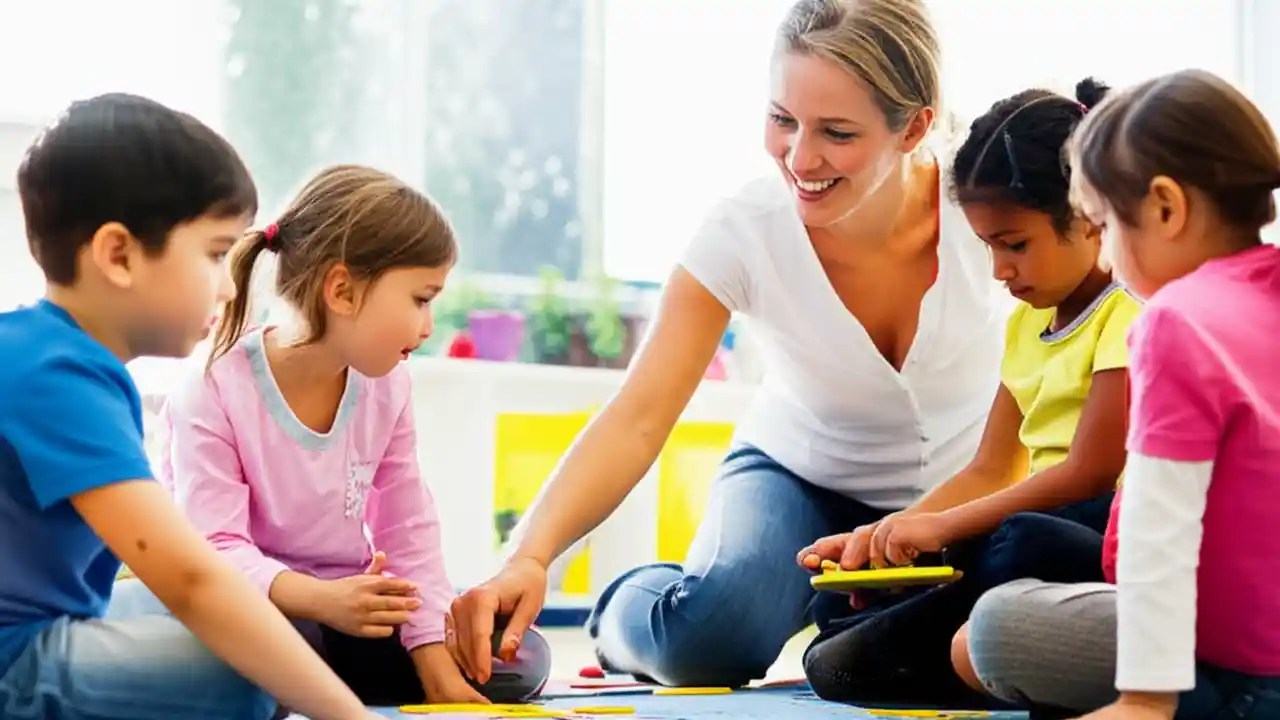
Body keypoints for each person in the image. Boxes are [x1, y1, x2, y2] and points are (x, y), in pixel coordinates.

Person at [449, 0, 1011, 690]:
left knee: (966, 643)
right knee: (712, 641)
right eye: (782, 121)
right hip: (799, 474)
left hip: (965, 486)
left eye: (836, 132)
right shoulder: (743, 232)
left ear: (915, 126)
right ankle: (633, 611)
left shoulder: (990, 206)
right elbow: (639, 414)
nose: (800, 158)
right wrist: (528, 557)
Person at [116, 165, 550, 707]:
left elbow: (406, 523)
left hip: (344, 609)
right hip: (251, 606)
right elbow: (215, 548)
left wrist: (433, 653)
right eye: (420, 299)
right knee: (260, 649)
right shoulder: (212, 389)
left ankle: (315, 678)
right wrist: (319, 599)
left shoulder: (387, 385)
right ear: (342, 290)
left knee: (516, 655)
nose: (429, 325)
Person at [0, 94, 373, 720]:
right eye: (214, 254)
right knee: (248, 674)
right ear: (118, 255)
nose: (228, 286)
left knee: (259, 627)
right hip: (13, 657)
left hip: (49, 623)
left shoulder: (47, 353)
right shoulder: (58, 376)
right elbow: (192, 579)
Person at [795, 78, 1140, 706]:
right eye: (987, 246)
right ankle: (939, 643)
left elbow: (1091, 473)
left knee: (1021, 540)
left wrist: (947, 528)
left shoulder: (1130, 314)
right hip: (1029, 531)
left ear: (1090, 219)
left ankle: (956, 647)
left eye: (1016, 246)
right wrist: (889, 535)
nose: (999, 271)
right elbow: (990, 468)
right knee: (834, 610)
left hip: (1099, 536)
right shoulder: (1024, 324)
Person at [963, 69, 1280, 720]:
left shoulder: (1174, 320)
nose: (1105, 252)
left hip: (1237, 674)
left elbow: (1159, 525)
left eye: (1104, 226)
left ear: (1165, 208)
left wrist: (1144, 699)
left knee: (992, 631)